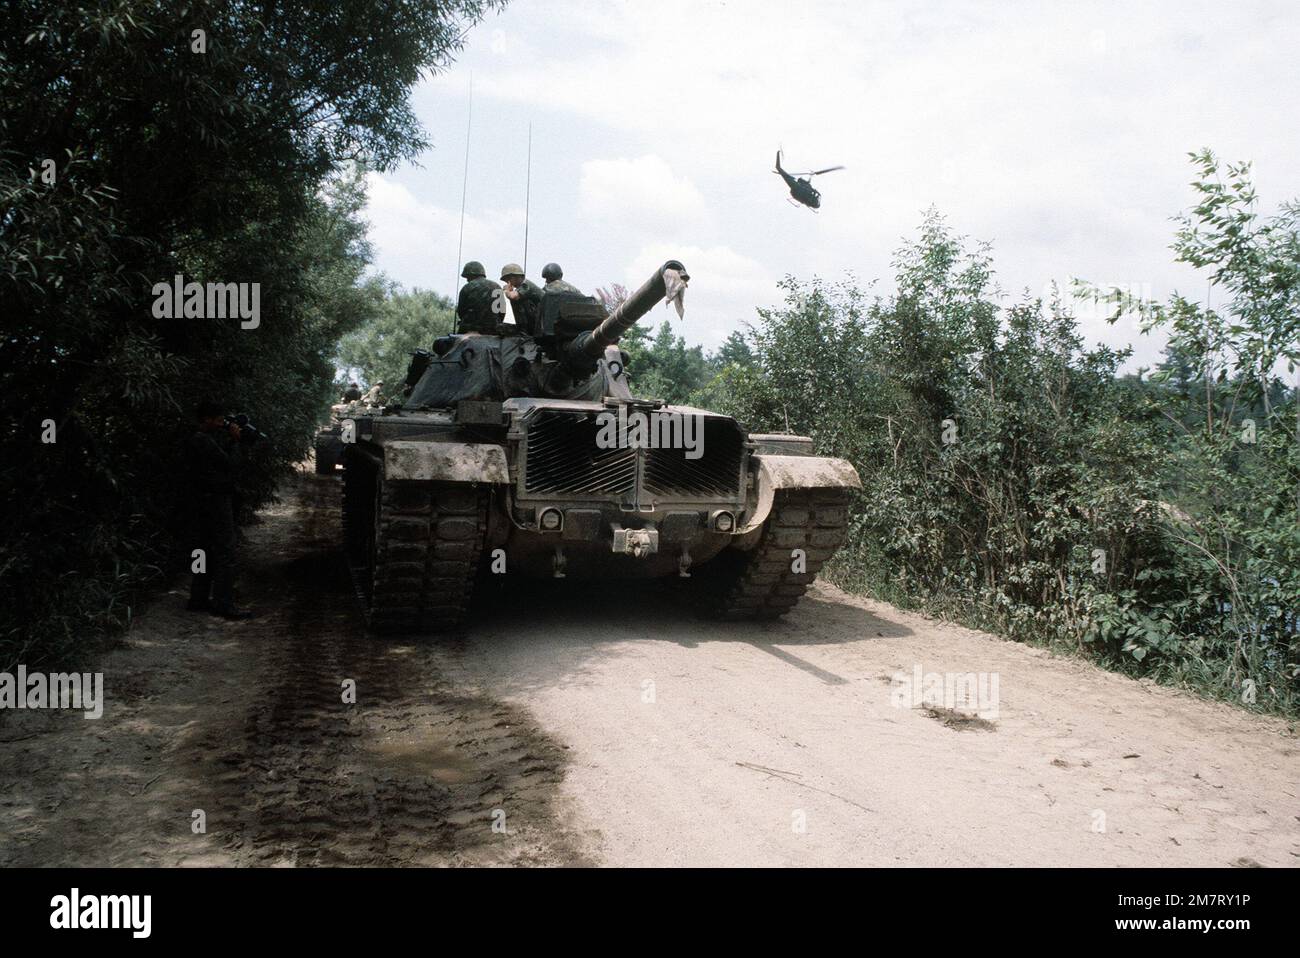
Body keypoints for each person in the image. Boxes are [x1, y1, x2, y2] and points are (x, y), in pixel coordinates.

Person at [182, 401, 254, 620]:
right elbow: (230, 465)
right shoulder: (204, 441)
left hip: (196, 500)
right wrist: (235, 441)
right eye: (219, 420)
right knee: (225, 551)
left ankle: (198, 597)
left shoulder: (194, 439)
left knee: (201, 549)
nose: (222, 424)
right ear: (207, 419)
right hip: (215, 500)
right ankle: (224, 602)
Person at [455, 261, 501, 334]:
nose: (467, 280)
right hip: (494, 330)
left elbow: (461, 312)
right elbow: (502, 312)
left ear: (471, 275)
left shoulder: (467, 288)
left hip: (470, 330)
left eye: (467, 277)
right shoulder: (497, 286)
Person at [500, 263, 544, 334]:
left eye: (507, 279)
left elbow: (514, 296)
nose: (507, 282)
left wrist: (507, 291)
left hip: (542, 325)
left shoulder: (526, 285)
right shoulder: (520, 288)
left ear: (515, 276)